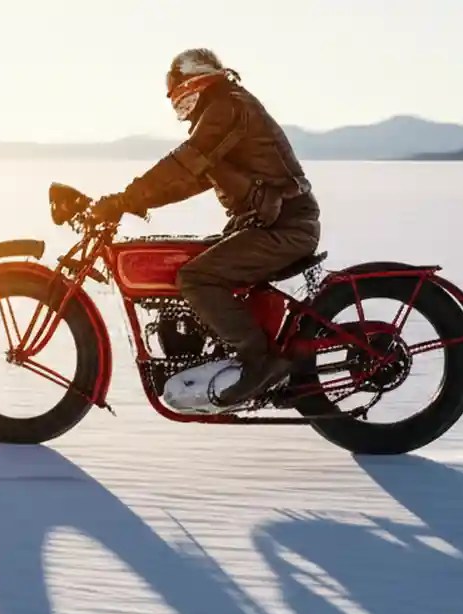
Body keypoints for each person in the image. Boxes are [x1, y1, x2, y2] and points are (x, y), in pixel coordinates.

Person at [90, 48, 320, 407]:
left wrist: (124, 198)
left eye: (177, 90)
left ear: (194, 81)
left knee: (197, 277)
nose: (177, 102)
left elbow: (184, 161)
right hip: (270, 223)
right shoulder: (225, 110)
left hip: (284, 227)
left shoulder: (226, 106)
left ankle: (260, 362)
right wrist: (134, 201)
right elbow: (188, 179)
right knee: (193, 257)